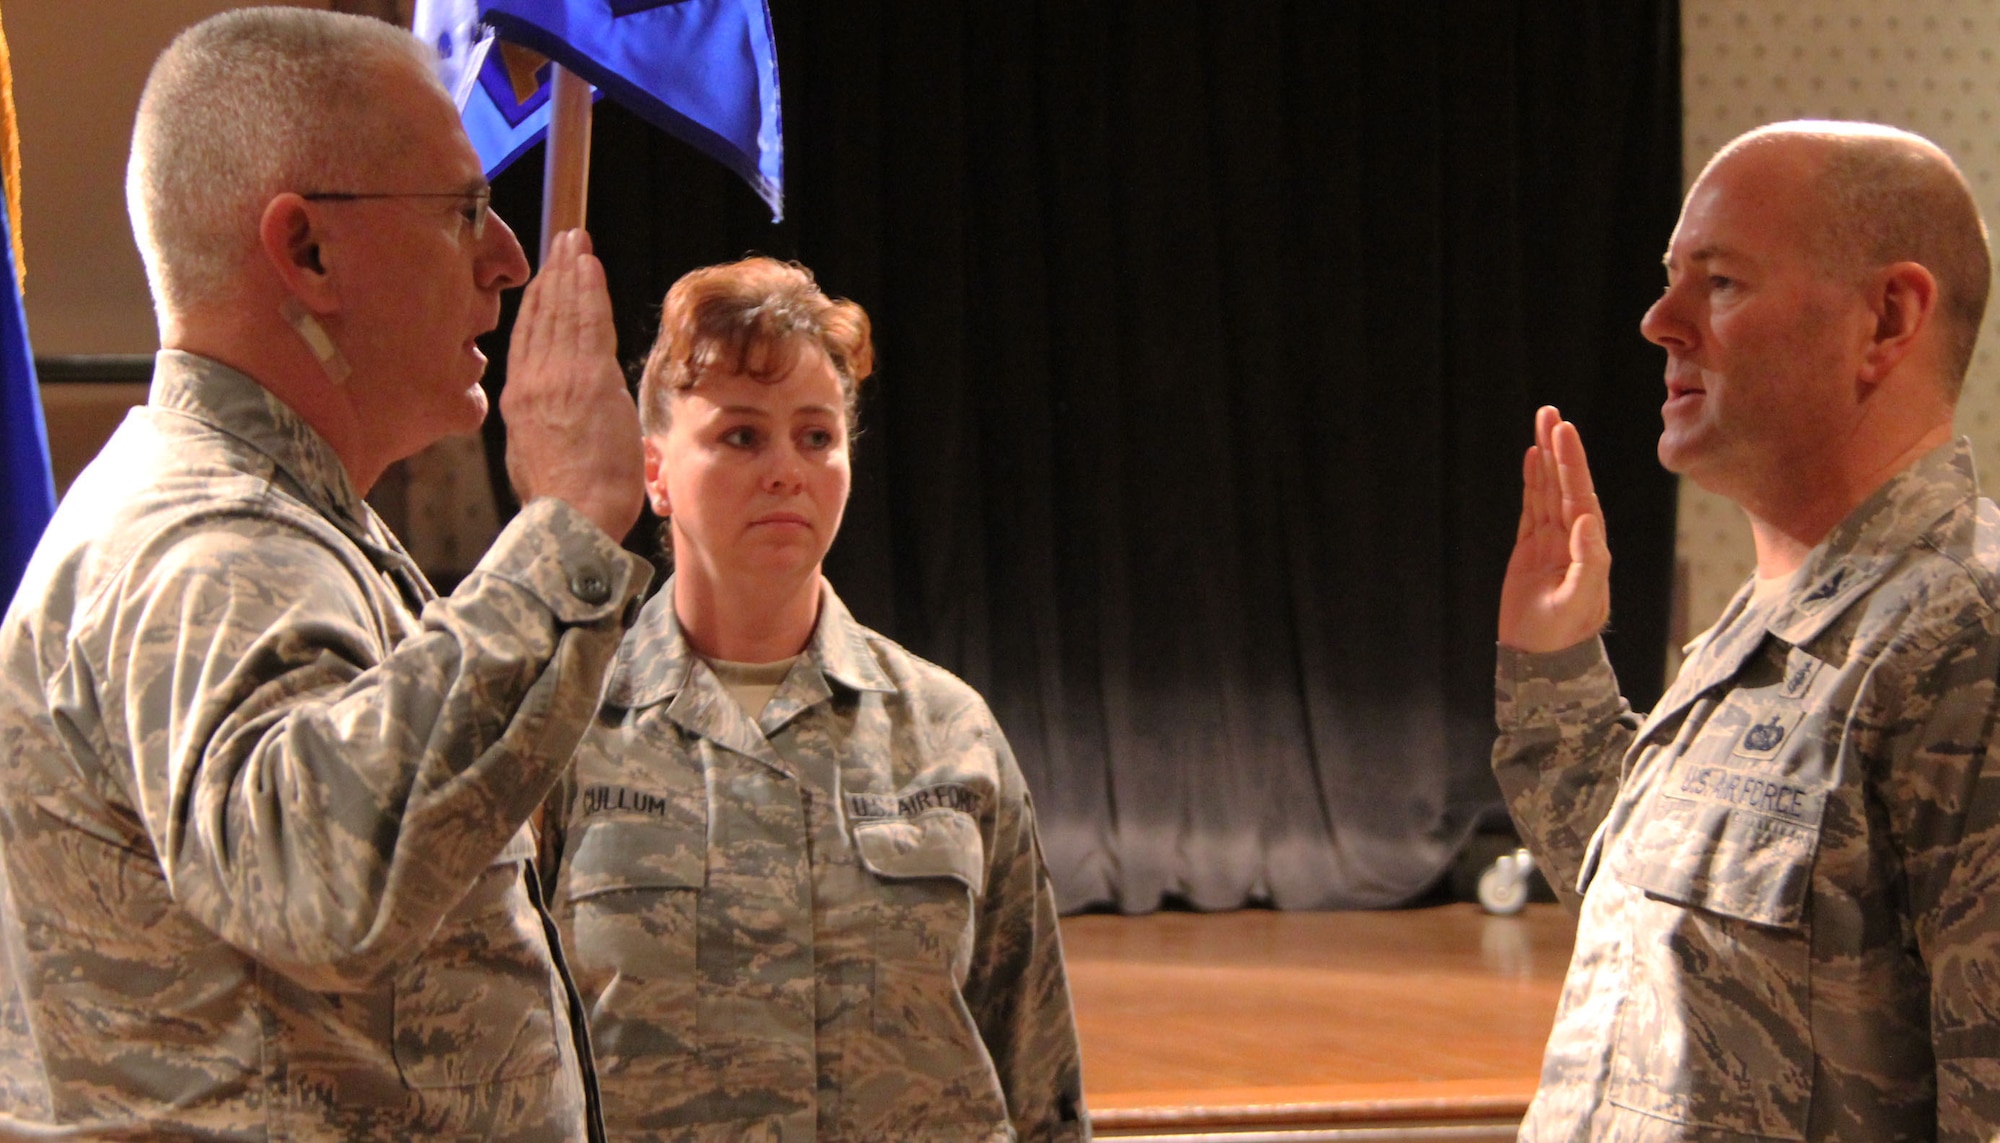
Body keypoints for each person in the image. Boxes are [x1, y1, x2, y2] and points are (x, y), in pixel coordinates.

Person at [0, 9, 649, 1139]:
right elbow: (317, 878)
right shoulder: (206, 544)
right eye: (464, 212)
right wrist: (562, 538)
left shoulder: (286, 518)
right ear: (307, 253)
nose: (503, 260)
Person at [1494, 119, 2000, 1141]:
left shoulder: (1965, 640)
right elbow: (1657, 920)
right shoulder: (1784, 617)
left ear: (1886, 319)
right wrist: (1552, 671)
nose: (1657, 322)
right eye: (1670, 278)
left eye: (1717, 283)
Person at [540, 256, 1089, 1141]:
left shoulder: (949, 731)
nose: (788, 469)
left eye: (817, 435)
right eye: (743, 436)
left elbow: (1039, 1083)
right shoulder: (567, 729)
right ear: (655, 470)